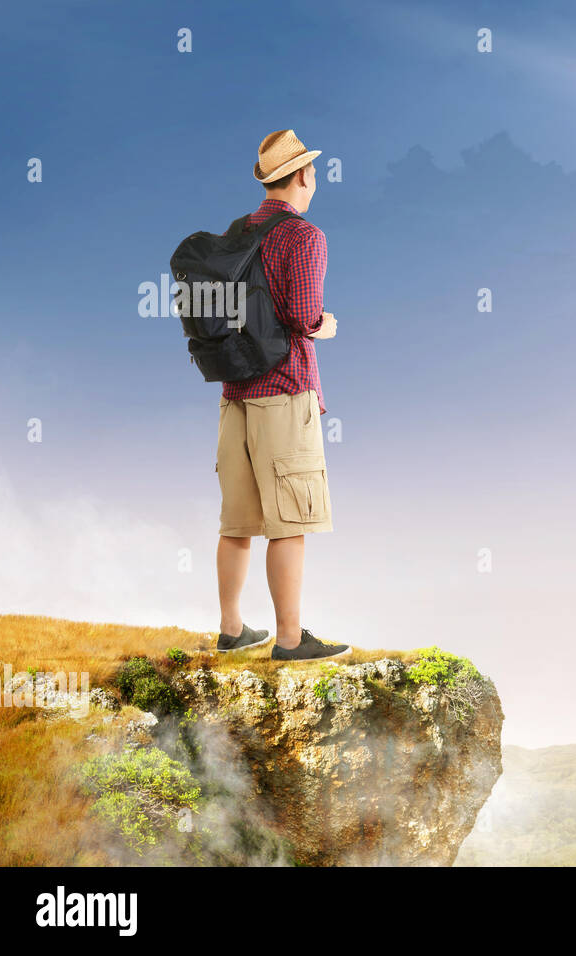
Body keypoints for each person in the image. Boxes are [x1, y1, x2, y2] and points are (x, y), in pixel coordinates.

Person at [213, 129, 349, 661]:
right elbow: (300, 314)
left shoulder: (235, 233)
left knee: (238, 521)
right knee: (289, 521)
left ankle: (231, 629)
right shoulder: (304, 236)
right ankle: (290, 641)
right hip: (284, 389)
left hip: (234, 391)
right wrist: (325, 325)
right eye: (312, 171)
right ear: (302, 176)